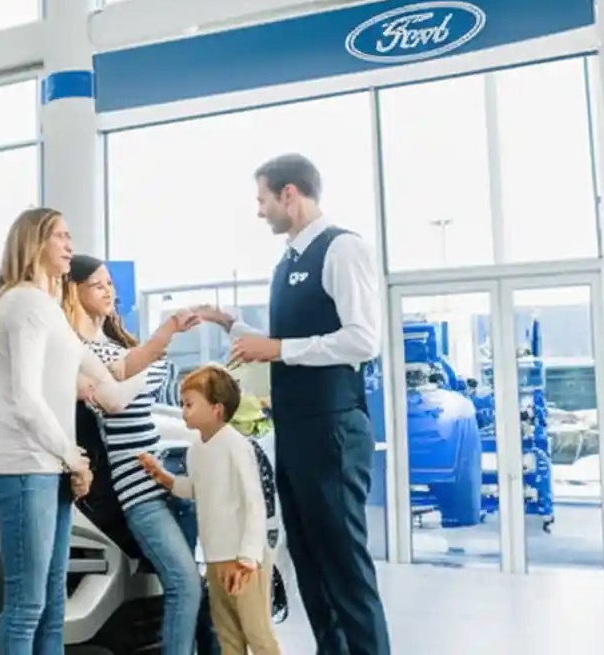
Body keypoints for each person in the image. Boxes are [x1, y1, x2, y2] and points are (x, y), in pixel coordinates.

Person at [196, 153, 390, 655]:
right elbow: (281, 344)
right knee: (309, 562)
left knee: (344, 567)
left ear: (289, 194)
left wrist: (279, 349)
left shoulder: (342, 249)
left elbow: (363, 340)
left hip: (333, 430)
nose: (259, 211)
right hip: (298, 432)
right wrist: (229, 323)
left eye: (262, 199)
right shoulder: (288, 262)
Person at [0, 207, 150, 655]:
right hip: (26, 469)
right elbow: (24, 399)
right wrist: (72, 455)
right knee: (27, 606)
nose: (69, 245)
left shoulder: (50, 311)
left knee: (51, 606)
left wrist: (159, 348)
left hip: (50, 468)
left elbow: (111, 379)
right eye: (60, 236)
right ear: (35, 242)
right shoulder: (24, 304)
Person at [62, 254, 213, 655]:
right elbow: (112, 399)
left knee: (194, 584)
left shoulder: (114, 347)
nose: (109, 290)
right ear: (73, 291)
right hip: (135, 486)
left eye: (110, 283)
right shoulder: (77, 348)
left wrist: (155, 347)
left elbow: (130, 377)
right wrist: (148, 367)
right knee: (183, 581)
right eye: (97, 284)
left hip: (164, 473)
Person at [138, 365, 282, 655]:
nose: (183, 411)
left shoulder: (236, 445)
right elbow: (194, 489)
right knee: (227, 634)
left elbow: (254, 502)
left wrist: (248, 558)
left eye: (189, 404)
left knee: (257, 633)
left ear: (216, 409)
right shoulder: (197, 449)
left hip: (244, 560)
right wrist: (163, 477)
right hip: (216, 557)